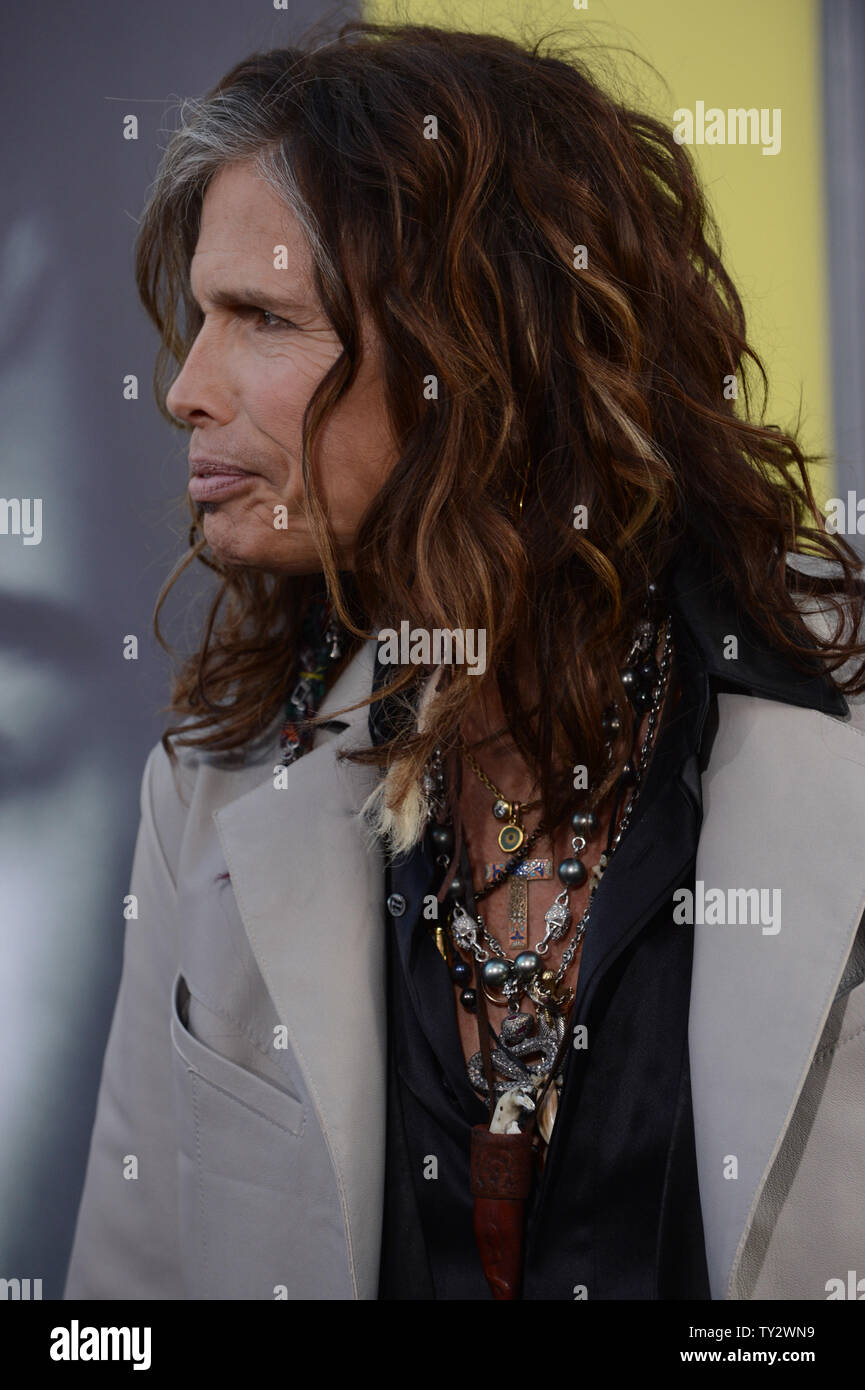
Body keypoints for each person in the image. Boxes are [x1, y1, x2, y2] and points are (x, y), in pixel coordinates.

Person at [64, 21, 865, 1302]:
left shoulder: (836, 732)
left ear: (479, 357)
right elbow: (128, 1303)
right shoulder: (213, 784)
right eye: (202, 315)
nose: (185, 389)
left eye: (261, 318)